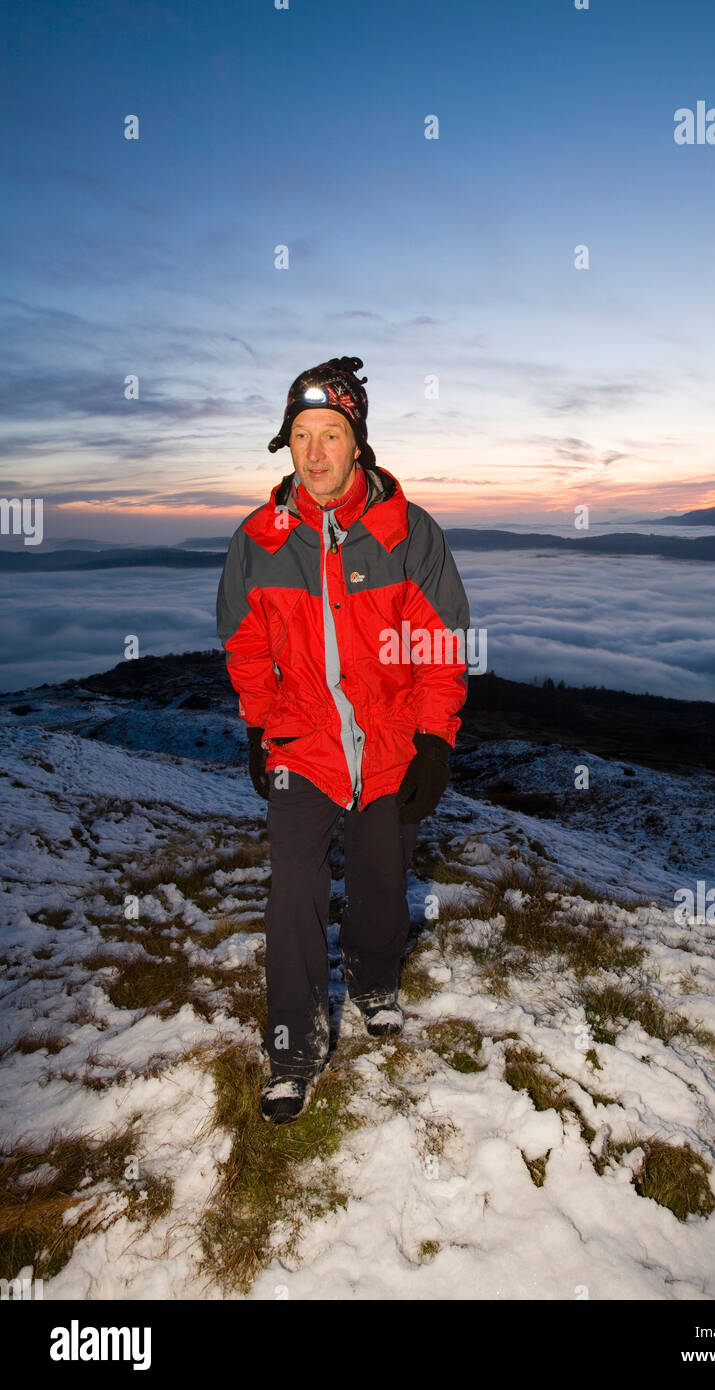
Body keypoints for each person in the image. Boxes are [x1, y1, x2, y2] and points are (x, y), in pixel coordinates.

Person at [216, 356, 470, 1123]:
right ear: (286, 445)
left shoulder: (406, 533)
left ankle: (373, 975)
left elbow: (441, 644)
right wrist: (261, 727)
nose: (317, 451)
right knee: (293, 884)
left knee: (381, 878)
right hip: (305, 745)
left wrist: (435, 739)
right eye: (302, 435)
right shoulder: (259, 541)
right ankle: (291, 1042)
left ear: (357, 443)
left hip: (391, 743)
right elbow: (246, 646)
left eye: (332, 434)